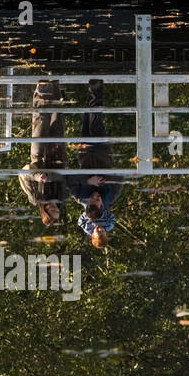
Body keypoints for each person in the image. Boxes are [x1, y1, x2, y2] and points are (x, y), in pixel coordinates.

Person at [68, 78, 123, 249]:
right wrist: (105, 177)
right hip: (102, 154)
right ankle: (96, 86)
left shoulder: (79, 196)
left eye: (92, 199)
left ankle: (92, 89)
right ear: (101, 206)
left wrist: (87, 181)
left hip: (85, 155)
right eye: (97, 200)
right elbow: (119, 176)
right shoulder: (111, 196)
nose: (95, 197)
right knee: (95, 122)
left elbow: (68, 178)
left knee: (87, 121)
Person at [18, 79, 66, 226]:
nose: (53, 208)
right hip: (58, 155)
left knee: (41, 120)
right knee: (57, 119)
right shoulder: (63, 196)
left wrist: (38, 176)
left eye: (50, 210)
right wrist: (50, 177)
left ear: (44, 210)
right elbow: (66, 176)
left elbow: (23, 174)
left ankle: (43, 87)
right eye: (56, 211)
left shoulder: (34, 198)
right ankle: (56, 85)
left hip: (38, 156)